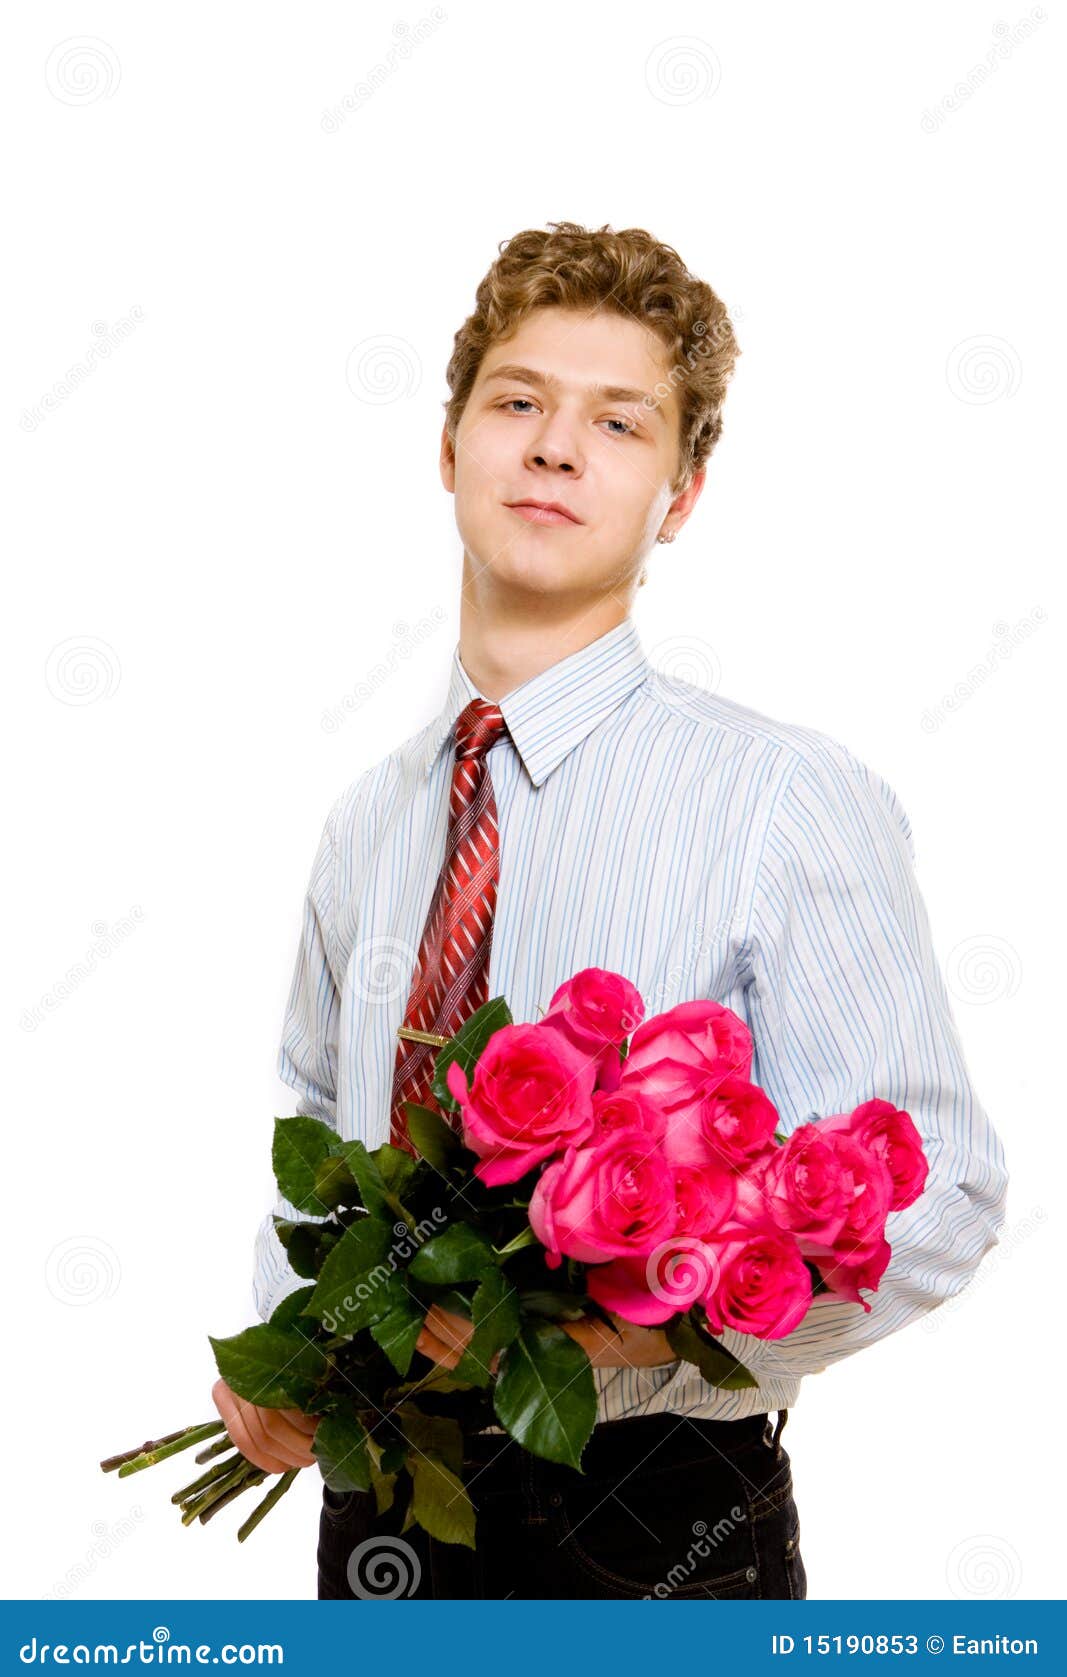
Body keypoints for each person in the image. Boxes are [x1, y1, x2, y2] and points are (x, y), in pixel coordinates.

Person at [211, 221, 1008, 1599]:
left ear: (680, 495)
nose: (555, 446)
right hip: (381, 1510)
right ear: (449, 444)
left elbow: (939, 1182)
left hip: (652, 1524)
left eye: (619, 422)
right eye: (517, 401)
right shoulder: (370, 822)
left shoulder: (781, 796)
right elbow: (310, 1109)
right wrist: (292, 1358)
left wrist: (626, 1336)